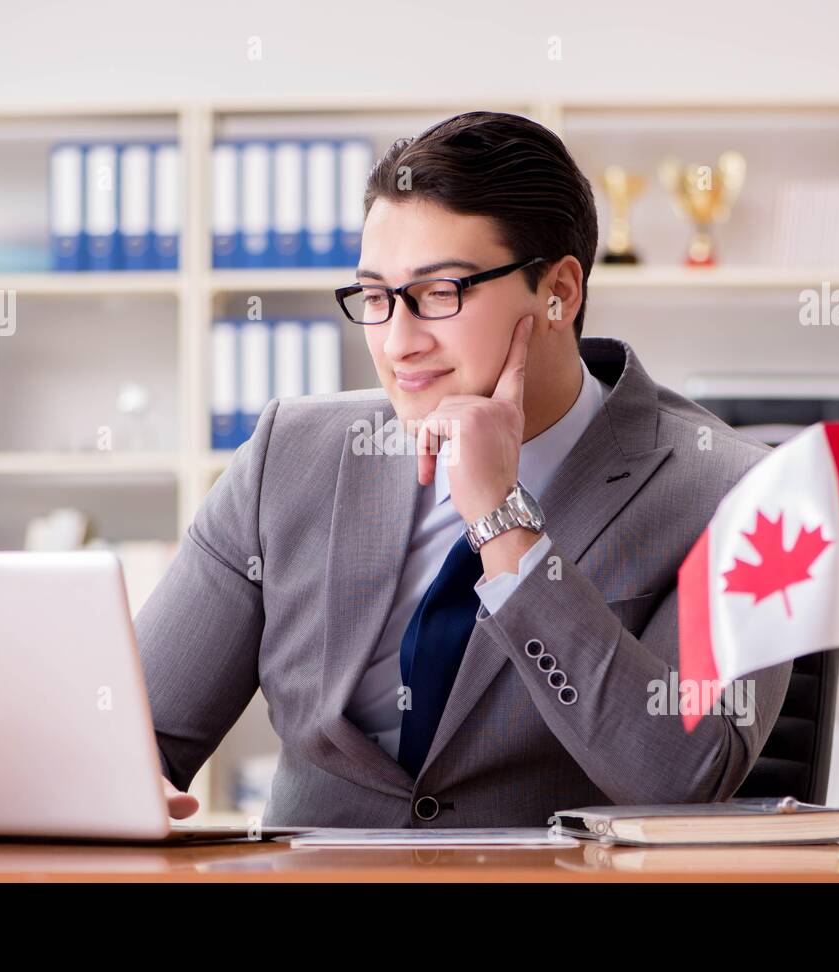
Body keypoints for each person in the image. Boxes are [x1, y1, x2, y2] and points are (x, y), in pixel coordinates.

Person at [138, 110, 792, 827]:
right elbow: (141, 734)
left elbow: (683, 778)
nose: (397, 342)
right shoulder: (287, 456)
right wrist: (123, 782)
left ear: (559, 293)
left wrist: (502, 520)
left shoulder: (736, 491)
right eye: (378, 298)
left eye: (440, 293)